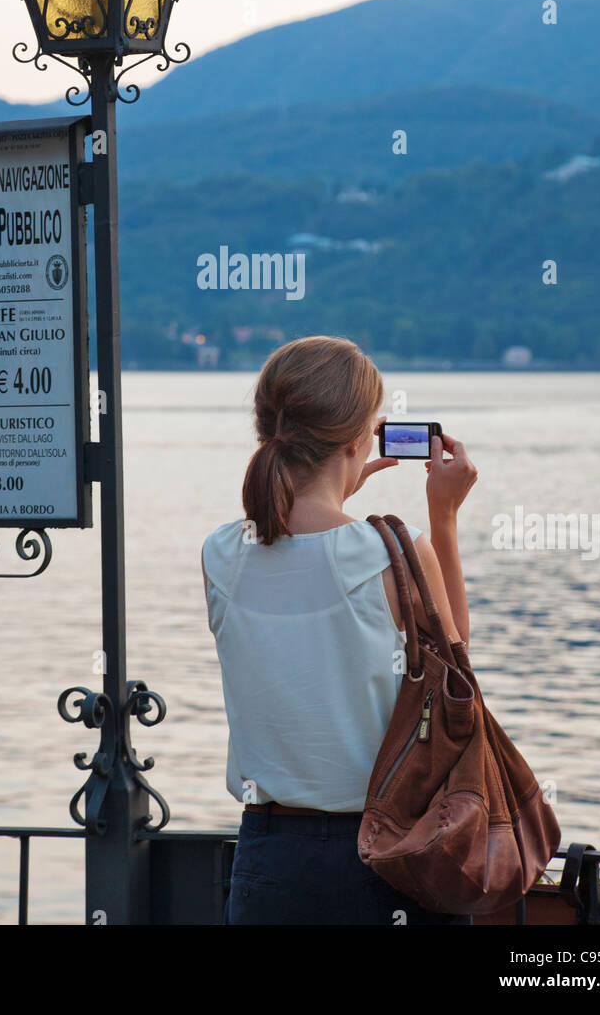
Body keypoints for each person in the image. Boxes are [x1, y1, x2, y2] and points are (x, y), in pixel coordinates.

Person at [201, 335, 477, 925]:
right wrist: (444, 518)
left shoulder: (221, 553)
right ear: (358, 440)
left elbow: (298, 553)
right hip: (389, 856)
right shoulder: (389, 551)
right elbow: (457, 670)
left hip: (269, 861)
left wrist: (337, 487)